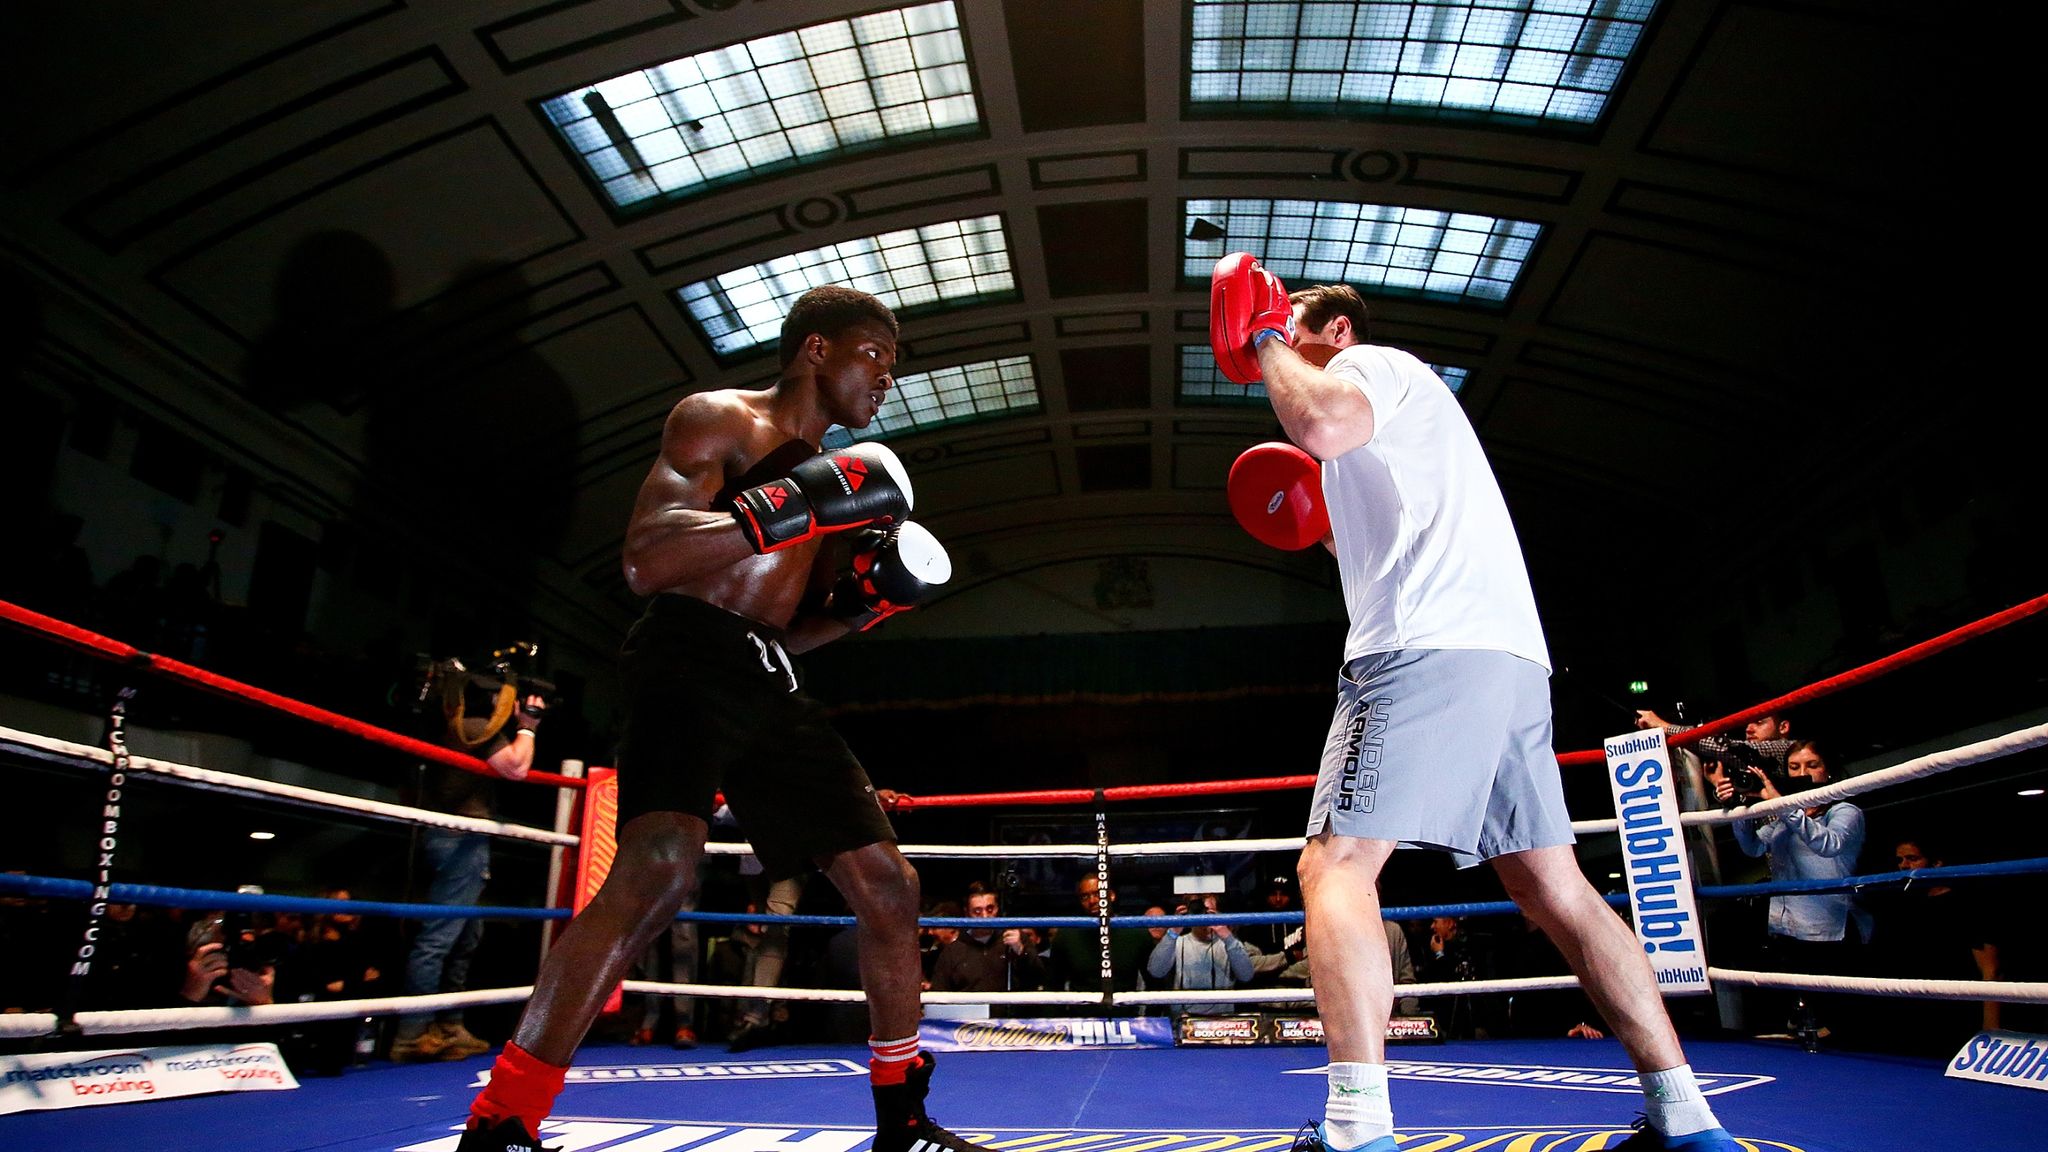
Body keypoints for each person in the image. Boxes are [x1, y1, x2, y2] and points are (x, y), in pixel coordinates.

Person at [1210, 259, 1738, 1152]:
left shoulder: (1367, 369)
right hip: (1507, 660)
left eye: (1293, 316)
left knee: (1336, 867)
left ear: (1336, 331)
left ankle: (1355, 1128)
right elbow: (1362, 527)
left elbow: (1320, 414)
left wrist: (1262, 333)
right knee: (1553, 885)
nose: (1276, 324)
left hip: (1424, 649)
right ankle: (1686, 1116)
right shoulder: (1385, 439)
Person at [459, 286, 978, 1152]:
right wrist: (791, 506)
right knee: (661, 868)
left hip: (768, 674)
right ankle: (505, 1118)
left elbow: (790, 627)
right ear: (816, 349)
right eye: (875, 356)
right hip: (684, 651)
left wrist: (865, 605)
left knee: (888, 884)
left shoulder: (832, 481)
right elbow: (647, 559)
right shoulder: (720, 420)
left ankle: (904, 1119)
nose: (888, 378)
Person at [391, 670, 545, 1063]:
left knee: (465, 937)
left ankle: (447, 1024)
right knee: (441, 937)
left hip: (460, 834)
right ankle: (412, 1031)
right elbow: (516, 767)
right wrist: (527, 727)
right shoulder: (472, 726)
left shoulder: (458, 724)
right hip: (459, 836)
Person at [1713, 737, 1866, 1045]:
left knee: (1837, 1021)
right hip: (1785, 925)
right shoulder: (1786, 816)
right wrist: (1741, 807)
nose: (1801, 773)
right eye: (1794, 767)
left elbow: (1827, 843)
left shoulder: (1845, 810)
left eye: (1812, 765)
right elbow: (1754, 847)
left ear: (1828, 771)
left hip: (1828, 928)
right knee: (1801, 1017)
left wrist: (1783, 805)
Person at [928, 881, 1047, 1005]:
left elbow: (1040, 978)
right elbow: (938, 998)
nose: (985, 916)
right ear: (967, 913)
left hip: (1011, 1021)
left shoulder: (1016, 939)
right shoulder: (952, 952)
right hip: (968, 1022)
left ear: (997, 909)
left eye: (990, 909)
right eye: (977, 911)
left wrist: (1021, 951)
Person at [1046, 874, 1154, 1010]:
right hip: (1080, 1021)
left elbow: (1154, 982)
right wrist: (1059, 1026)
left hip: (1127, 1021)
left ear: (1112, 895)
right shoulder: (1066, 935)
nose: (1092, 901)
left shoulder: (1135, 932)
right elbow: (1054, 985)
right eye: (1085, 897)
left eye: (1098, 894)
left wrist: (1151, 1022)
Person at [1145, 894, 1254, 1016]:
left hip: (1222, 1022)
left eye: (1209, 912)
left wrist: (1227, 936)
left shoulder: (1229, 944)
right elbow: (1155, 971)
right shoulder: (1176, 942)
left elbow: (1246, 976)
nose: (1203, 917)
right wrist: (1173, 930)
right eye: (1199, 910)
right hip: (1183, 1020)